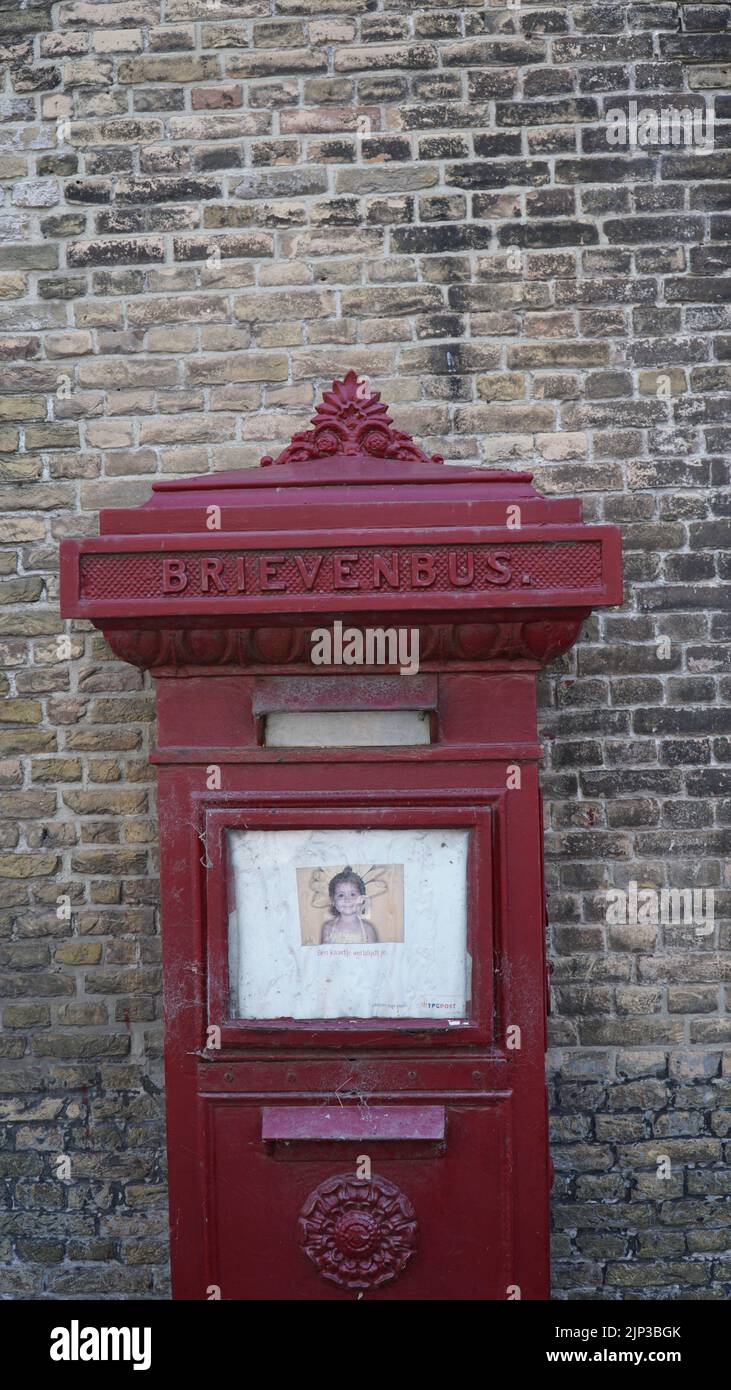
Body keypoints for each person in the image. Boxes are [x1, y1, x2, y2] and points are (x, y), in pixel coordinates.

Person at [320, 867, 378, 945]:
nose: (347, 900)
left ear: (362, 898)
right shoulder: (328, 928)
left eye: (352, 894)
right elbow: (323, 955)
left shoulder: (368, 929)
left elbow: (374, 955)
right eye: (341, 895)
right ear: (333, 901)